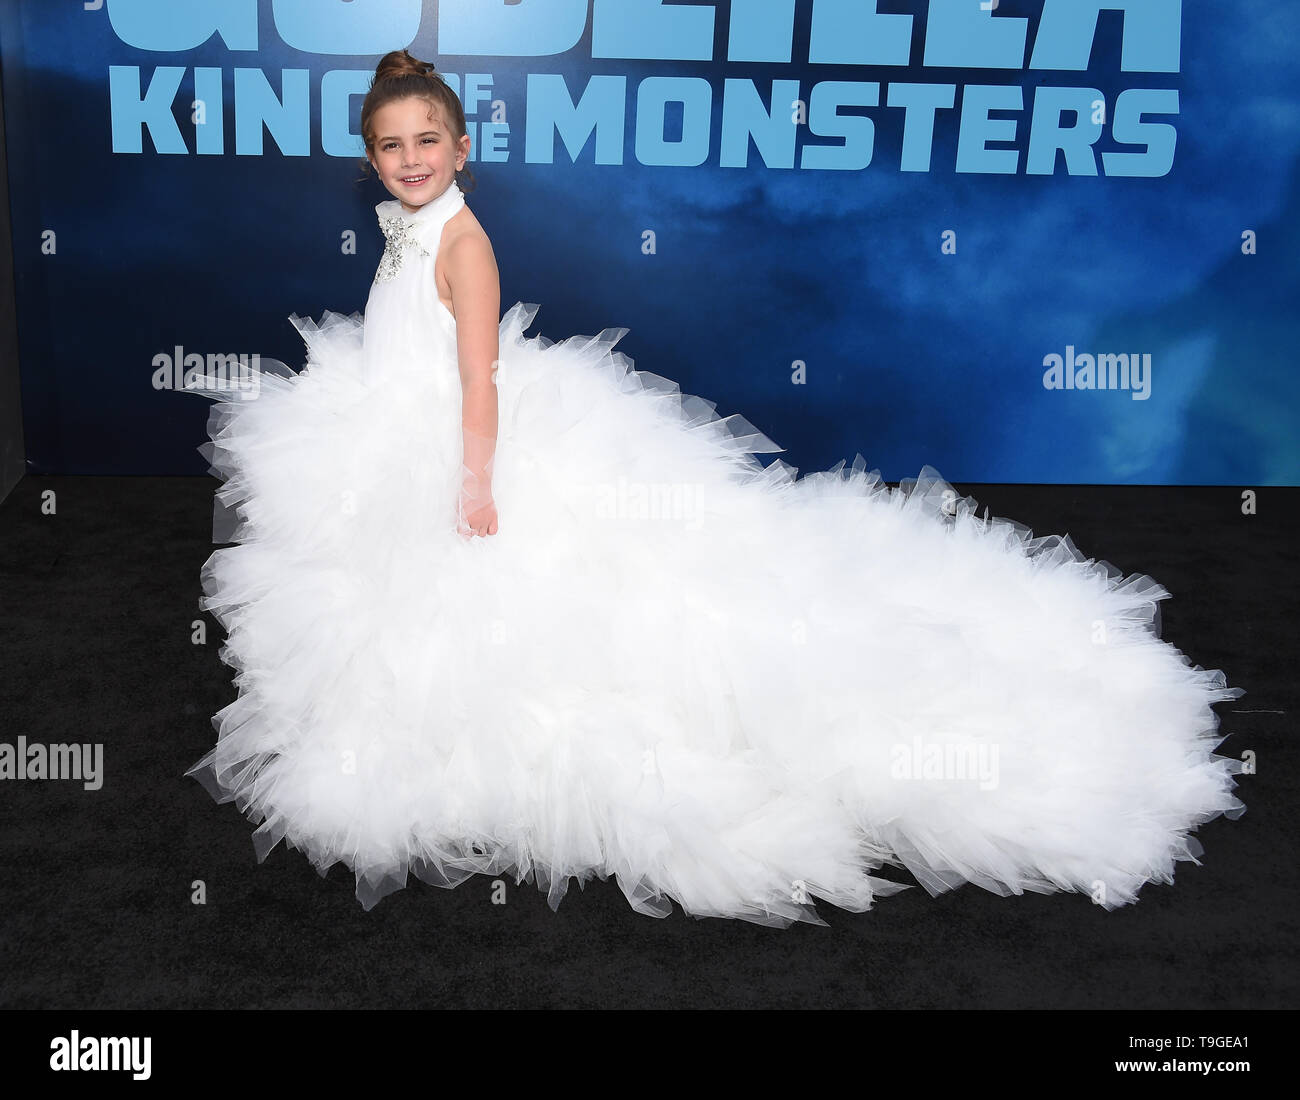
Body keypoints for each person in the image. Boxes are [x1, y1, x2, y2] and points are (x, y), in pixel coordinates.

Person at [183, 49, 1245, 927]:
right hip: (395, 433)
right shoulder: (410, 233)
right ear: (370, 160)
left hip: (465, 445)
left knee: (556, 610)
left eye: (429, 142)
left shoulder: (465, 243)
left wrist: (472, 483)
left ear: (464, 151)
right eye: (392, 146)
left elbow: (478, 378)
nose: (411, 160)